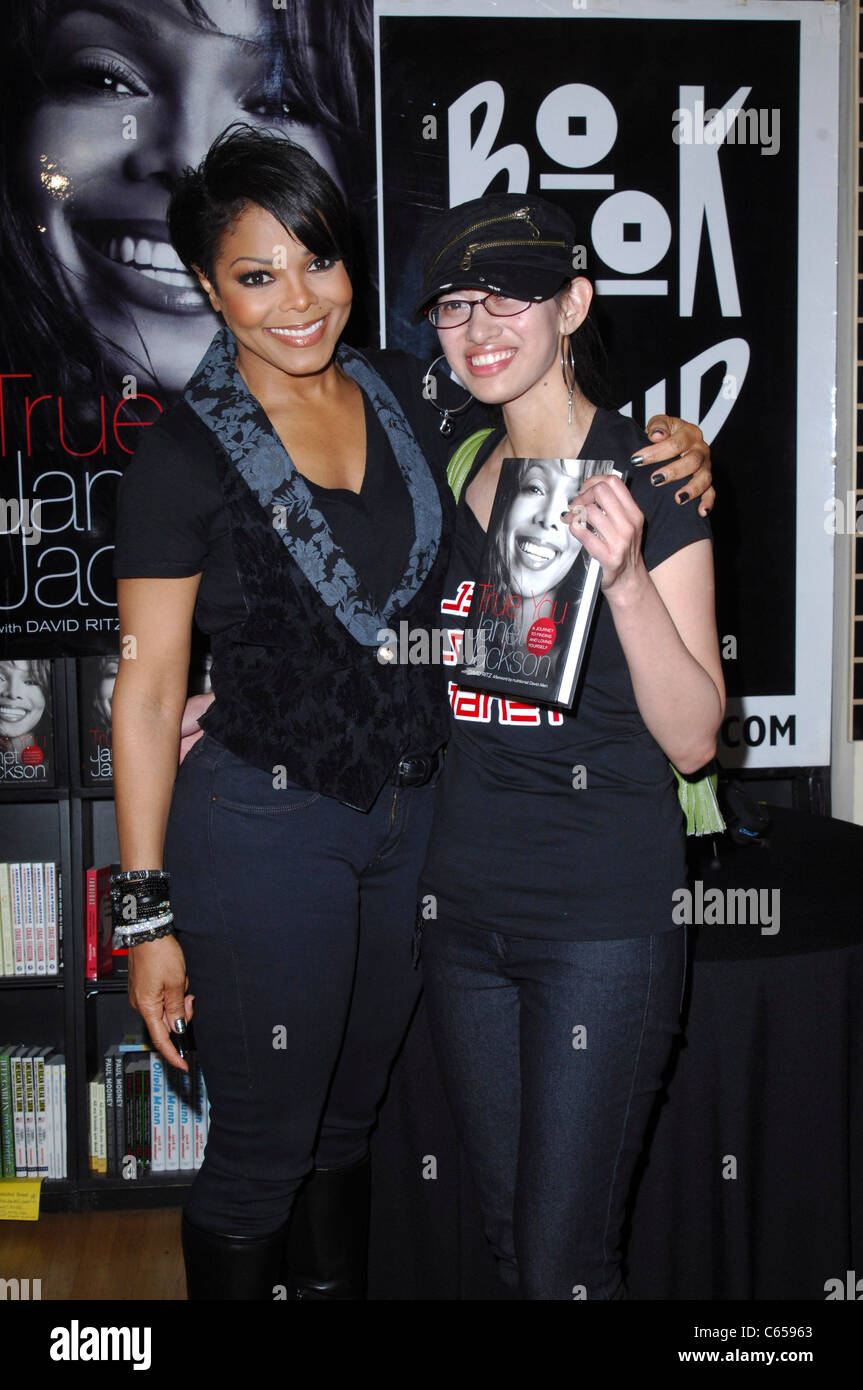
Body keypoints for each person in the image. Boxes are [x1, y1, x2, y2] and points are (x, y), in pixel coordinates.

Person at [112, 129, 714, 1303]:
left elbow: (542, 389)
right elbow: (158, 682)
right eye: (255, 273)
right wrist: (149, 907)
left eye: (319, 263)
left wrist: (672, 461)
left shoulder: (406, 398)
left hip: (471, 854)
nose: (299, 302)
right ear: (205, 285)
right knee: (284, 1155)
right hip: (319, 846)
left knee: (383, 1151)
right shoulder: (223, 455)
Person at [413, 192, 726, 1300]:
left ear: (571, 304)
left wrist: (629, 580)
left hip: (597, 921)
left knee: (561, 1265)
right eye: (452, 303)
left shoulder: (651, 474)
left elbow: (693, 740)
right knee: (508, 1240)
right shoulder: (454, 470)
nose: (478, 324)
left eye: (508, 295)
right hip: (463, 918)